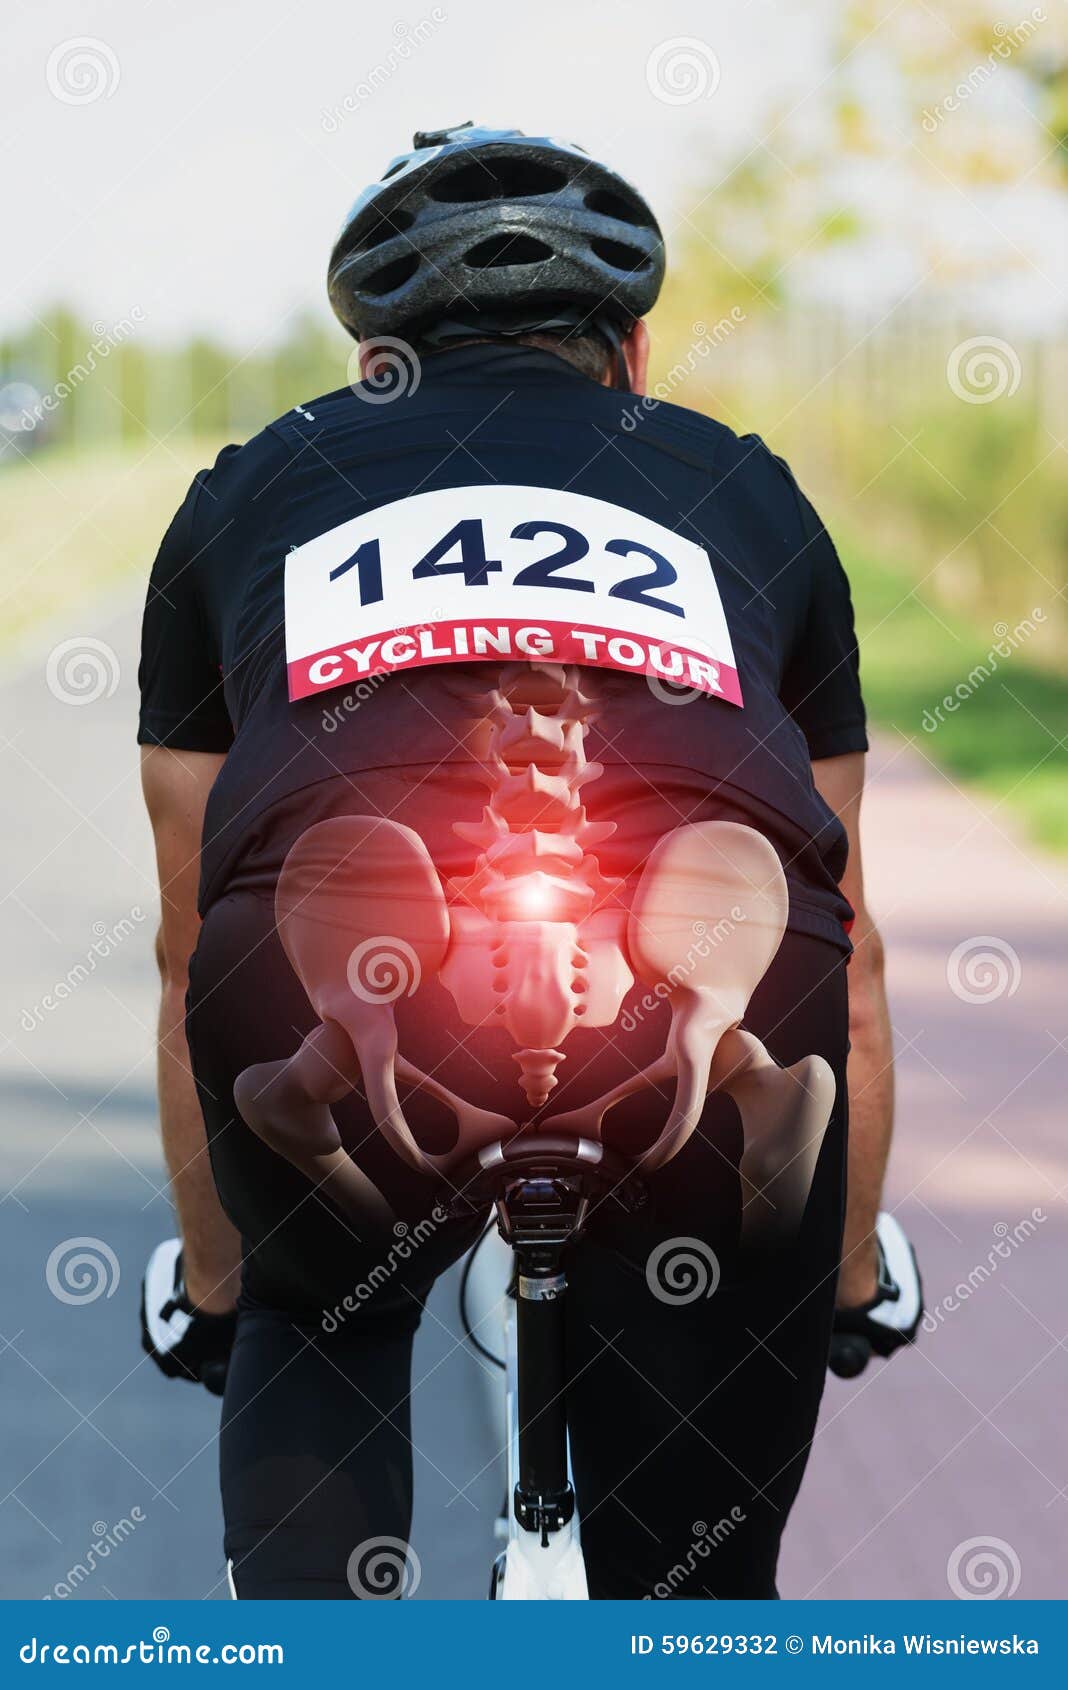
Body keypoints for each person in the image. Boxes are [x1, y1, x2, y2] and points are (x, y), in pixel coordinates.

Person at [137, 123, 920, 1600]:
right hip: (702, 955)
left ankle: (326, 1633)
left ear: (377, 351)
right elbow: (860, 959)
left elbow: (185, 933)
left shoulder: (251, 488)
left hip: (334, 962)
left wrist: (230, 1284)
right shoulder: (746, 490)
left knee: (327, 1311)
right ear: (630, 352)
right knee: (693, 1584)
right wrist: (848, 1274)